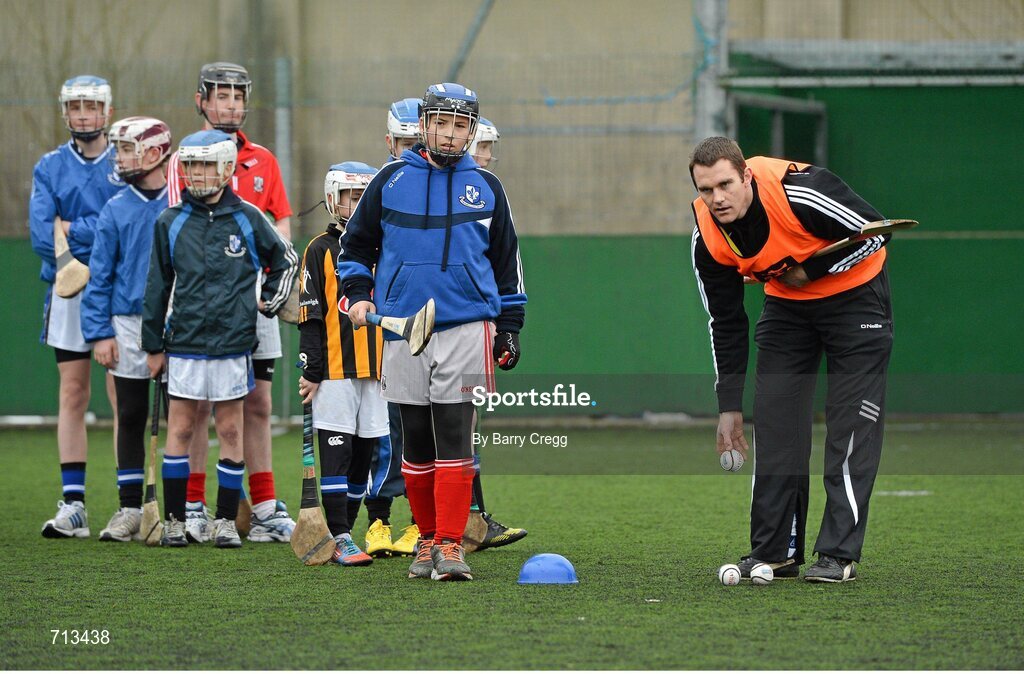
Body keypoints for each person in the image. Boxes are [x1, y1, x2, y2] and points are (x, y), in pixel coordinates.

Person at [340, 83, 527, 582]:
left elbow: (508, 265)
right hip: (403, 330)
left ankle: (451, 545)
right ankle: (426, 542)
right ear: (423, 126)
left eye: (460, 125)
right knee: (416, 443)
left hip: (467, 327)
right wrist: (358, 293)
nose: (449, 134)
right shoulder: (390, 181)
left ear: (472, 131)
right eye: (440, 123)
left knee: (455, 436)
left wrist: (509, 325)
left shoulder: (488, 186)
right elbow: (354, 249)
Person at [689, 136, 894, 583]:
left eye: (725, 184)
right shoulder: (707, 237)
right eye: (706, 190)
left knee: (849, 425)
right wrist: (728, 406)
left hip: (856, 300)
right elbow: (724, 322)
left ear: (745, 176)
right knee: (777, 424)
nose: (717, 198)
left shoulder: (800, 191)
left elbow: (877, 232)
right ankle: (774, 552)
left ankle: (838, 554)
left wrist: (812, 270)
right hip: (787, 307)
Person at [142, 130, 298, 548]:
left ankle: (226, 521)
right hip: (186, 343)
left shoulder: (248, 217)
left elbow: (285, 259)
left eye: (208, 164)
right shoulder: (170, 222)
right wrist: (153, 346)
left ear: (228, 167)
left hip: (234, 344)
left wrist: (269, 301)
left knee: (231, 429)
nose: (199, 173)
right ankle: (176, 520)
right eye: (191, 165)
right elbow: (156, 288)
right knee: (180, 429)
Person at [30, 75, 125, 538]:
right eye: (76, 106)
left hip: (115, 290)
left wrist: (74, 229)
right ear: (65, 112)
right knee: (73, 393)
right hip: (66, 293)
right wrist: (96, 230)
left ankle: (128, 506)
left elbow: (121, 224)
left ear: (107, 111)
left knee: (118, 396)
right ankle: (74, 506)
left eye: (92, 106)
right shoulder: (49, 167)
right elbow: (40, 235)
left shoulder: (123, 162)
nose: (84, 114)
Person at [81, 116, 173, 541]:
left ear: (154, 153)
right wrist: (99, 331)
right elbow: (100, 276)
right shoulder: (116, 208)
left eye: (124, 149)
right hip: (127, 324)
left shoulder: (180, 203)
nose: (117, 157)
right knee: (132, 414)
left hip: (177, 323)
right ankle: (130, 508)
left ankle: (182, 510)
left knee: (186, 418)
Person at [297, 161, 386, 566]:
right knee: (338, 452)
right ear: (334, 199)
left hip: (378, 371)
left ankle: (345, 532)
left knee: (364, 455)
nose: (358, 203)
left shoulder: (385, 247)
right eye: (351, 196)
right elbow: (310, 315)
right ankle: (339, 536)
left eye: (364, 196)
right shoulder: (319, 249)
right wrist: (311, 370)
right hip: (334, 371)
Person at [359, 97, 425, 559]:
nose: (409, 150)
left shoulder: (442, 187)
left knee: (432, 429)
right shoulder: (380, 188)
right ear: (388, 141)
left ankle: (427, 526)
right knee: (385, 428)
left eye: (414, 142)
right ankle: (378, 520)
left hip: (435, 324)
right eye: (401, 142)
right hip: (388, 327)